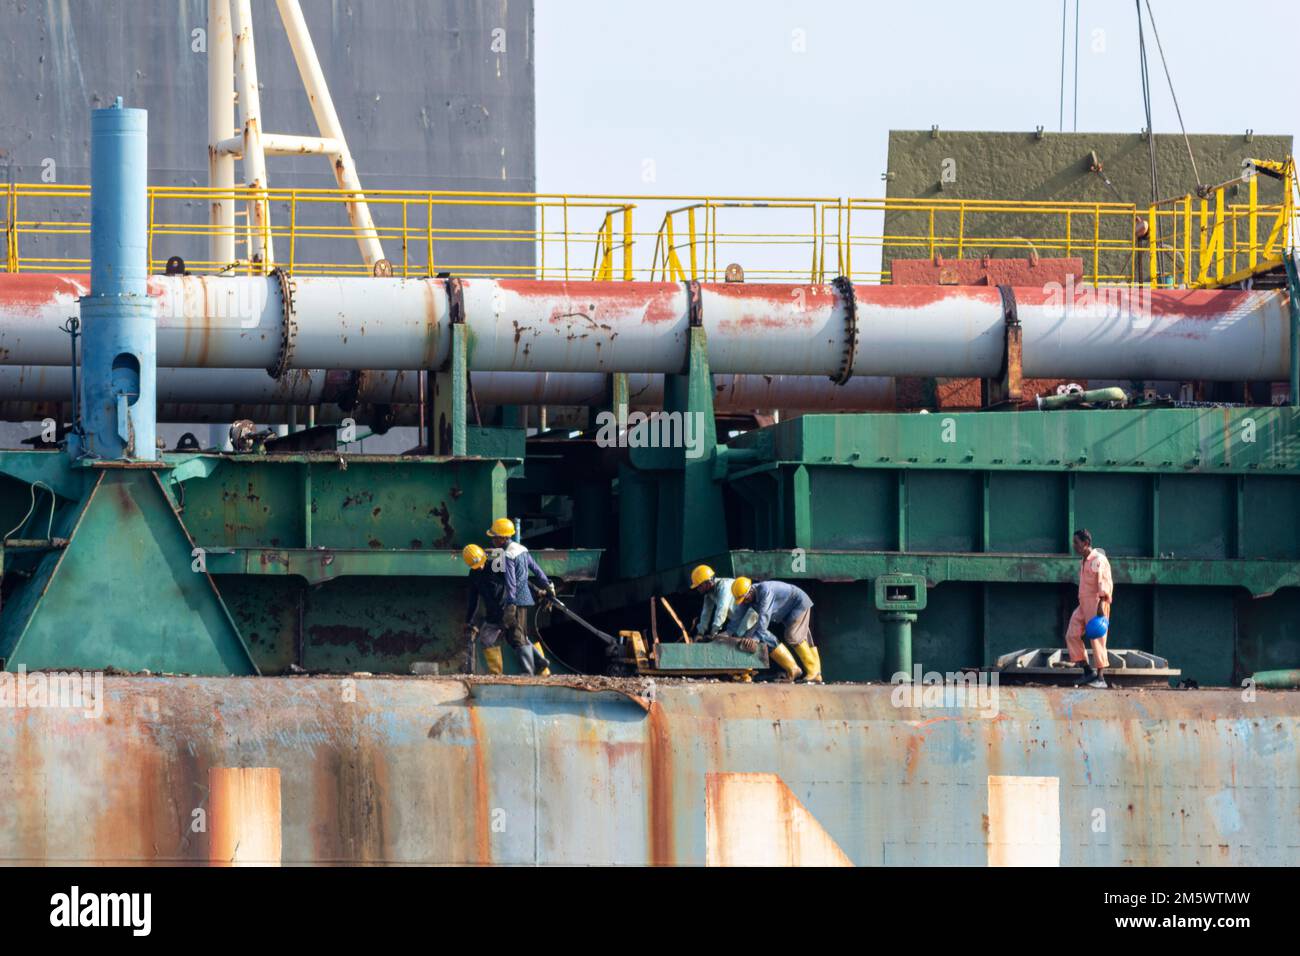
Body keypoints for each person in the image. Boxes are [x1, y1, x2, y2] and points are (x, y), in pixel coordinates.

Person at [486, 517, 555, 676]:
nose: (493, 540)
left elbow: (511, 582)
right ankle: (539, 662)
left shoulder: (509, 555)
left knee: (517, 636)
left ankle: (528, 671)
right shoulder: (521, 549)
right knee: (515, 634)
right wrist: (548, 585)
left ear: (503, 537)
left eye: (494, 537)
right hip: (525, 597)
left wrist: (510, 604)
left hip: (515, 600)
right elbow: (536, 570)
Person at [728, 577, 823, 683]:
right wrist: (728, 633)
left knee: (793, 636)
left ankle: (813, 672)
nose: (744, 601)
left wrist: (755, 638)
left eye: (745, 599)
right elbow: (737, 616)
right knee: (802, 638)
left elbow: (764, 617)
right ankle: (813, 673)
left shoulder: (765, 590)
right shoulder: (746, 597)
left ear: (750, 591)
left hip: (798, 604)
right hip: (786, 612)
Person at [1065, 528, 1112, 689]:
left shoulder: (1098, 560)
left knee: (1097, 638)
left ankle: (1101, 678)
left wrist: (1101, 603)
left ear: (1086, 543)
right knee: (1072, 634)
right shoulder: (1084, 560)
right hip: (1084, 603)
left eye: (1076, 543)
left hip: (1097, 602)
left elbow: (1103, 581)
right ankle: (1087, 670)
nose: (1074, 546)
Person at [689, 564, 738, 640]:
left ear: (708, 582)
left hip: (750, 620)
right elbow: (706, 612)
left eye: (699, 586)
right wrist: (700, 633)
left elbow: (722, 609)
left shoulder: (725, 586)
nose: (698, 589)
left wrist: (713, 633)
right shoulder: (709, 592)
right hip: (739, 622)